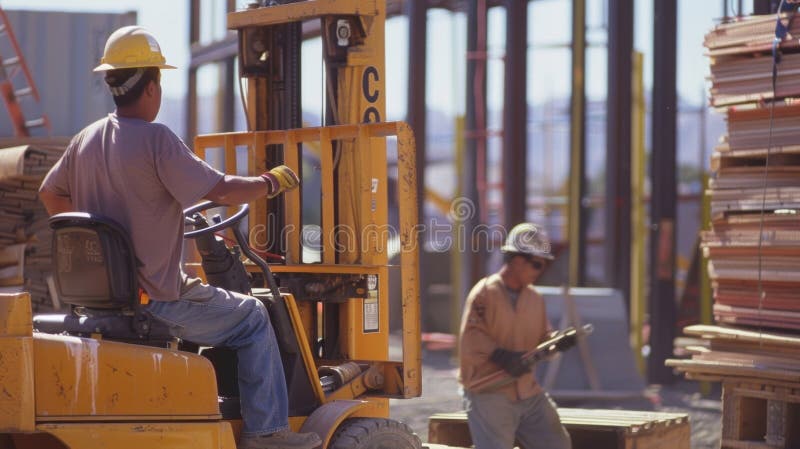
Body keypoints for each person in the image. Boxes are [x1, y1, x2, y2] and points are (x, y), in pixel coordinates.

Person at [38, 26, 320, 449]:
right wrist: (271, 182)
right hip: (159, 301)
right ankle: (267, 431)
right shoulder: (156, 140)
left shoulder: (86, 139)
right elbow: (223, 190)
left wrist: (97, 249)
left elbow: (50, 192)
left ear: (113, 83)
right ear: (152, 86)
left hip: (109, 299)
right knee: (254, 317)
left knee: (224, 308)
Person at [458, 223, 571, 449]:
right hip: (490, 392)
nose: (541, 271)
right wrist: (501, 355)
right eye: (538, 264)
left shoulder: (535, 299)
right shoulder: (485, 293)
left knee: (557, 444)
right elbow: (471, 337)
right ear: (518, 260)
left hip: (527, 391)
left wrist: (557, 343)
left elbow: (543, 338)